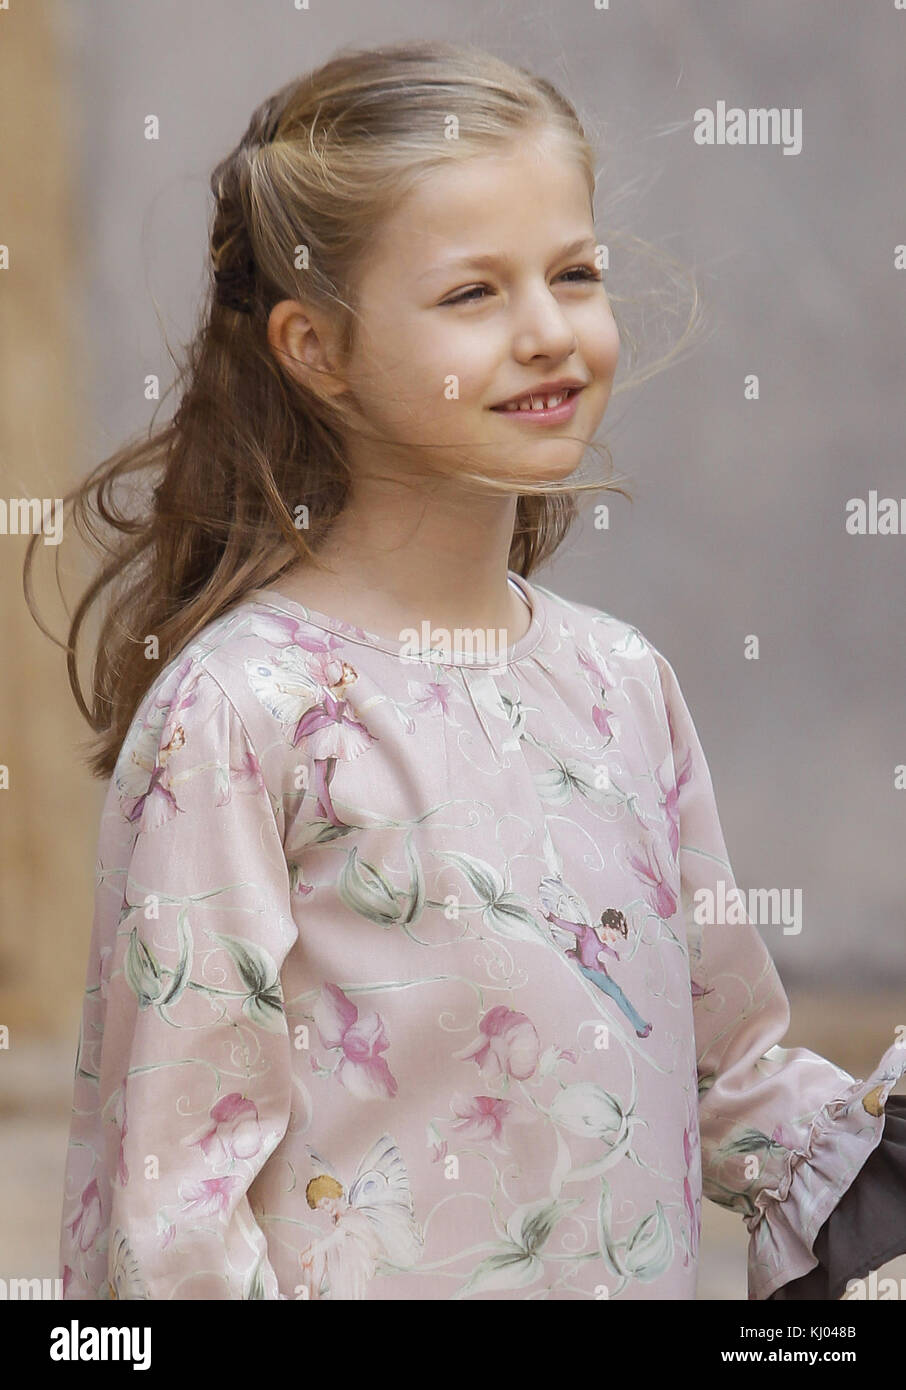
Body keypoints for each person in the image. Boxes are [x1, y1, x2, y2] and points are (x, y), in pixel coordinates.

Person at [43, 40, 906, 1301]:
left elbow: (734, 1078)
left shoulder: (623, 683)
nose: (550, 332)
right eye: (473, 294)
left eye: (573, 273)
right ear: (314, 347)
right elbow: (174, 1219)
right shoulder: (245, 713)